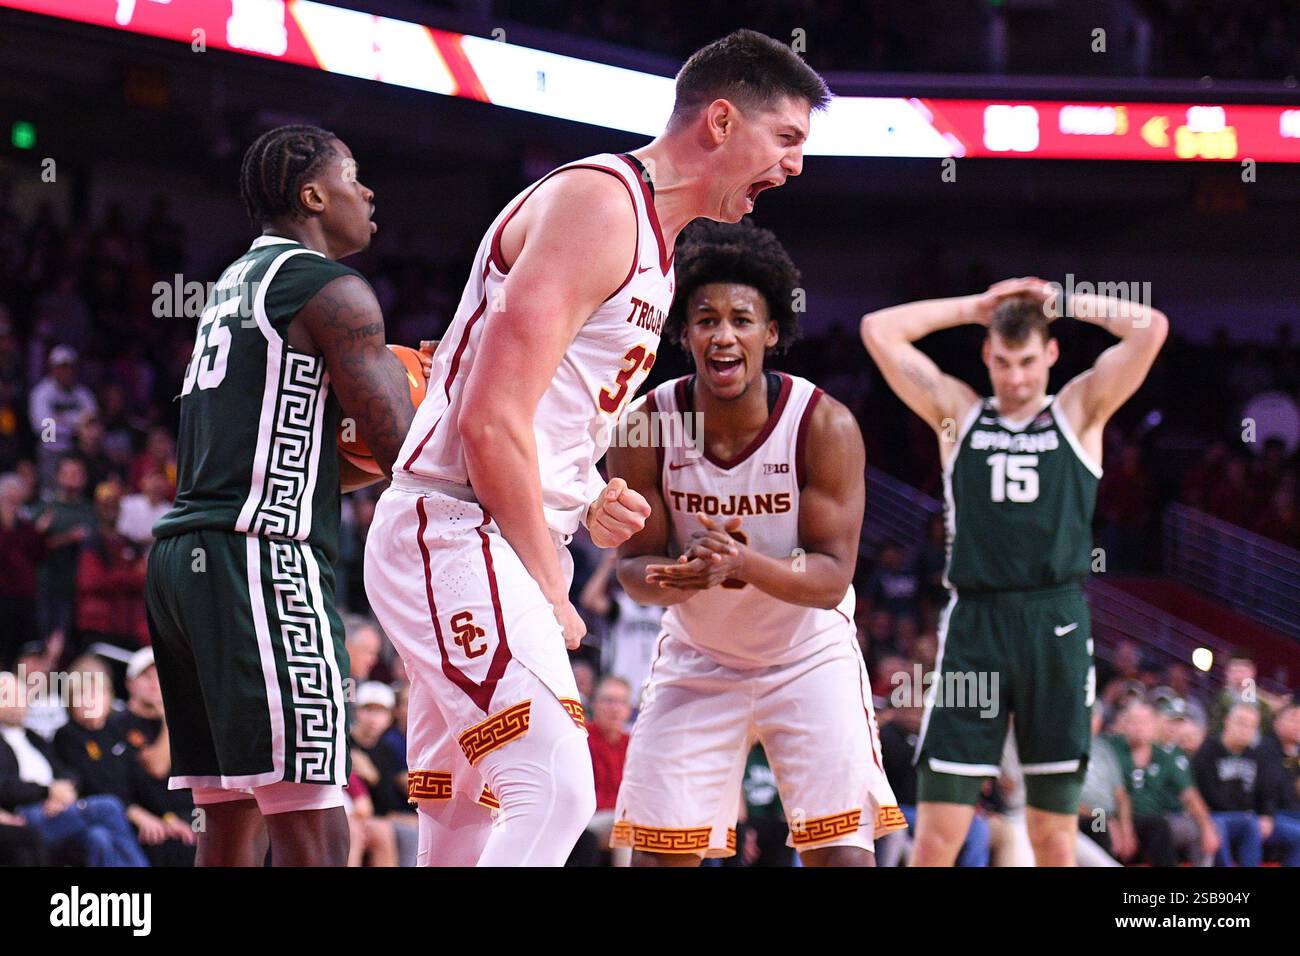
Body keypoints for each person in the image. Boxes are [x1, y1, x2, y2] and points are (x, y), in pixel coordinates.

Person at [364, 29, 826, 866]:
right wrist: (550, 578)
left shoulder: (657, 242)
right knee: (557, 790)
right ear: (720, 120)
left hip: (484, 529)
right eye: (786, 138)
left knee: (465, 818)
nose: (795, 165)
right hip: (457, 527)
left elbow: (544, 408)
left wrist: (587, 492)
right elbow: (489, 418)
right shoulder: (600, 202)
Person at [145, 125, 423, 867]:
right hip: (260, 558)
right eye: (353, 176)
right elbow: (406, 452)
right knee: (315, 830)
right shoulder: (331, 288)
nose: (367, 193)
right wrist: (443, 400)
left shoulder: (234, 284)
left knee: (229, 823)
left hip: (185, 560)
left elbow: (317, 463)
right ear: (311, 195)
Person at [608, 220, 901, 867]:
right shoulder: (647, 423)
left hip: (806, 654)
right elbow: (631, 567)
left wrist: (742, 564)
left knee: (843, 855)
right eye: (705, 319)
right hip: (698, 656)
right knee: (659, 857)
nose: (723, 334)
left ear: (771, 333)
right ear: (683, 334)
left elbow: (830, 579)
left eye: (742, 319)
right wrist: (676, 578)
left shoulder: (823, 424)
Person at [861, 277, 1169, 865]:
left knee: (1053, 836)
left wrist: (1062, 302)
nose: (1017, 377)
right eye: (1003, 362)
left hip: (1054, 623)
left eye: (1028, 362)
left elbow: (1149, 328)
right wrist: (974, 306)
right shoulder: (958, 413)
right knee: (935, 836)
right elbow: (879, 329)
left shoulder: (1079, 412)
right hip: (975, 624)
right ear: (986, 355)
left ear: (1052, 353)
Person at [1110, 700, 1218, 865]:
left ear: (1152, 724)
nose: (1139, 727)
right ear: (1124, 724)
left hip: (1156, 821)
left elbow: (1189, 793)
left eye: (1144, 722)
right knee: (1100, 828)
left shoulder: (1165, 755)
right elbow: (1104, 796)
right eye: (1134, 722)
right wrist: (1118, 825)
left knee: (1172, 826)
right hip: (1108, 818)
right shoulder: (1111, 748)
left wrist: (1207, 827)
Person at [1194, 702, 1298, 866]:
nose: (1245, 730)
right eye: (1241, 723)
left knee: (1296, 834)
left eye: (1251, 726)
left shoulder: (1255, 755)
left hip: (1248, 817)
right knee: (1226, 825)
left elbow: (1266, 791)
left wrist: (1267, 816)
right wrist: (1244, 810)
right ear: (1227, 721)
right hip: (1215, 816)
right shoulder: (1208, 750)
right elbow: (1208, 794)